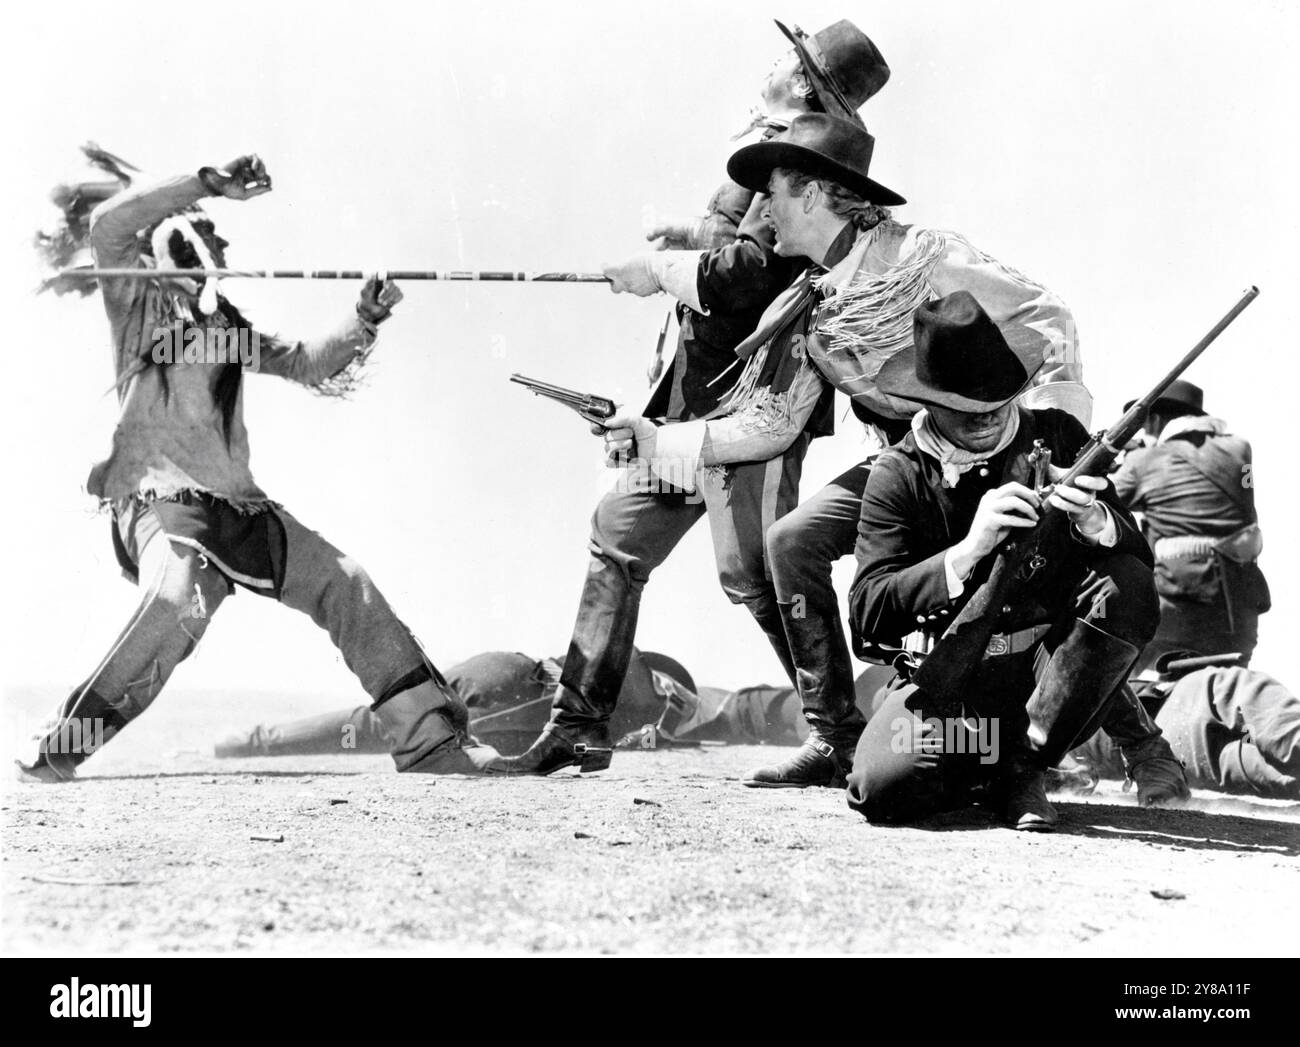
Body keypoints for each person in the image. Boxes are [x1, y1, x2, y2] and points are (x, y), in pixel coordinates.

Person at [17, 153, 496, 782]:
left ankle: (430, 742)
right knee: (171, 599)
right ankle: (59, 747)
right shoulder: (135, 304)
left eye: (213, 238)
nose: (215, 243)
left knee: (344, 581)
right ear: (162, 247)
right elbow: (109, 226)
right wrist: (206, 184)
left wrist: (364, 318)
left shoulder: (226, 331)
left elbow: (305, 364)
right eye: (200, 235)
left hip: (239, 510)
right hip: (163, 501)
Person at [498, 22, 893, 776]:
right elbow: (733, 242)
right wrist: (678, 237)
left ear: (807, 86)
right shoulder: (768, 146)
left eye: (792, 60)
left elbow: (751, 273)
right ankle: (579, 722)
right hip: (684, 403)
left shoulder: (806, 160)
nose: (775, 65)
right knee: (617, 534)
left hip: (753, 406)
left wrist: (659, 267)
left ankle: (839, 733)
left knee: (761, 570)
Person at [844, 291, 1159, 830]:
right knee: (883, 790)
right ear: (927, 401)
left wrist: (1095, 522)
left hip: (1044, 681)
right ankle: (987, 768)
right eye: (968, 407)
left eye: (998, 400)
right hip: (949, 682)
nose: (987, 418)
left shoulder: (1058, 435)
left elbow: (1138, 559)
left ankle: (1026, 765)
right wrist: (968, 549)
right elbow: (869, 613)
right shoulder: (898, 474)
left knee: (1126, 584)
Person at [1112, 380, 1269, 668]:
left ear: (1156, 420)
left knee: (1121, 681)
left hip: (1177, 602)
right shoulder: (1240, 450)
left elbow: (1103, 503)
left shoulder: (1144, 461)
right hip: (1240, 609)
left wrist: (1127, 459)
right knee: (1224, 691)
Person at [1065, 658, 1300, 799]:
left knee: (1273, 772)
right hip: (1178, 704)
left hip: (1181, 758)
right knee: (1276, 723)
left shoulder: (1048, 735)